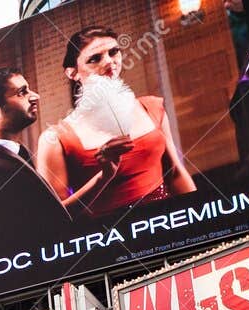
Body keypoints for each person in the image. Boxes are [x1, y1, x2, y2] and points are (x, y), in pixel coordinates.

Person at [37, 27, 196, 221]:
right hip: (109, 238)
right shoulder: (55, 138)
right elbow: (55, 218)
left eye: (114, 52)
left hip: (168, 220)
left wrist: (199, 220)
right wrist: (104, 176)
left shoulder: (152, 107)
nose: (109, 62)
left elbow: (176, 173)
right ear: (73, 73)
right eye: (95, 58)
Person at [0, 68, 75, 263]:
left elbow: (49, 217)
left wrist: (105, 175)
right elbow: (29, 245)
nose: (36, 96)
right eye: (22, 92)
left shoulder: (9, 155)